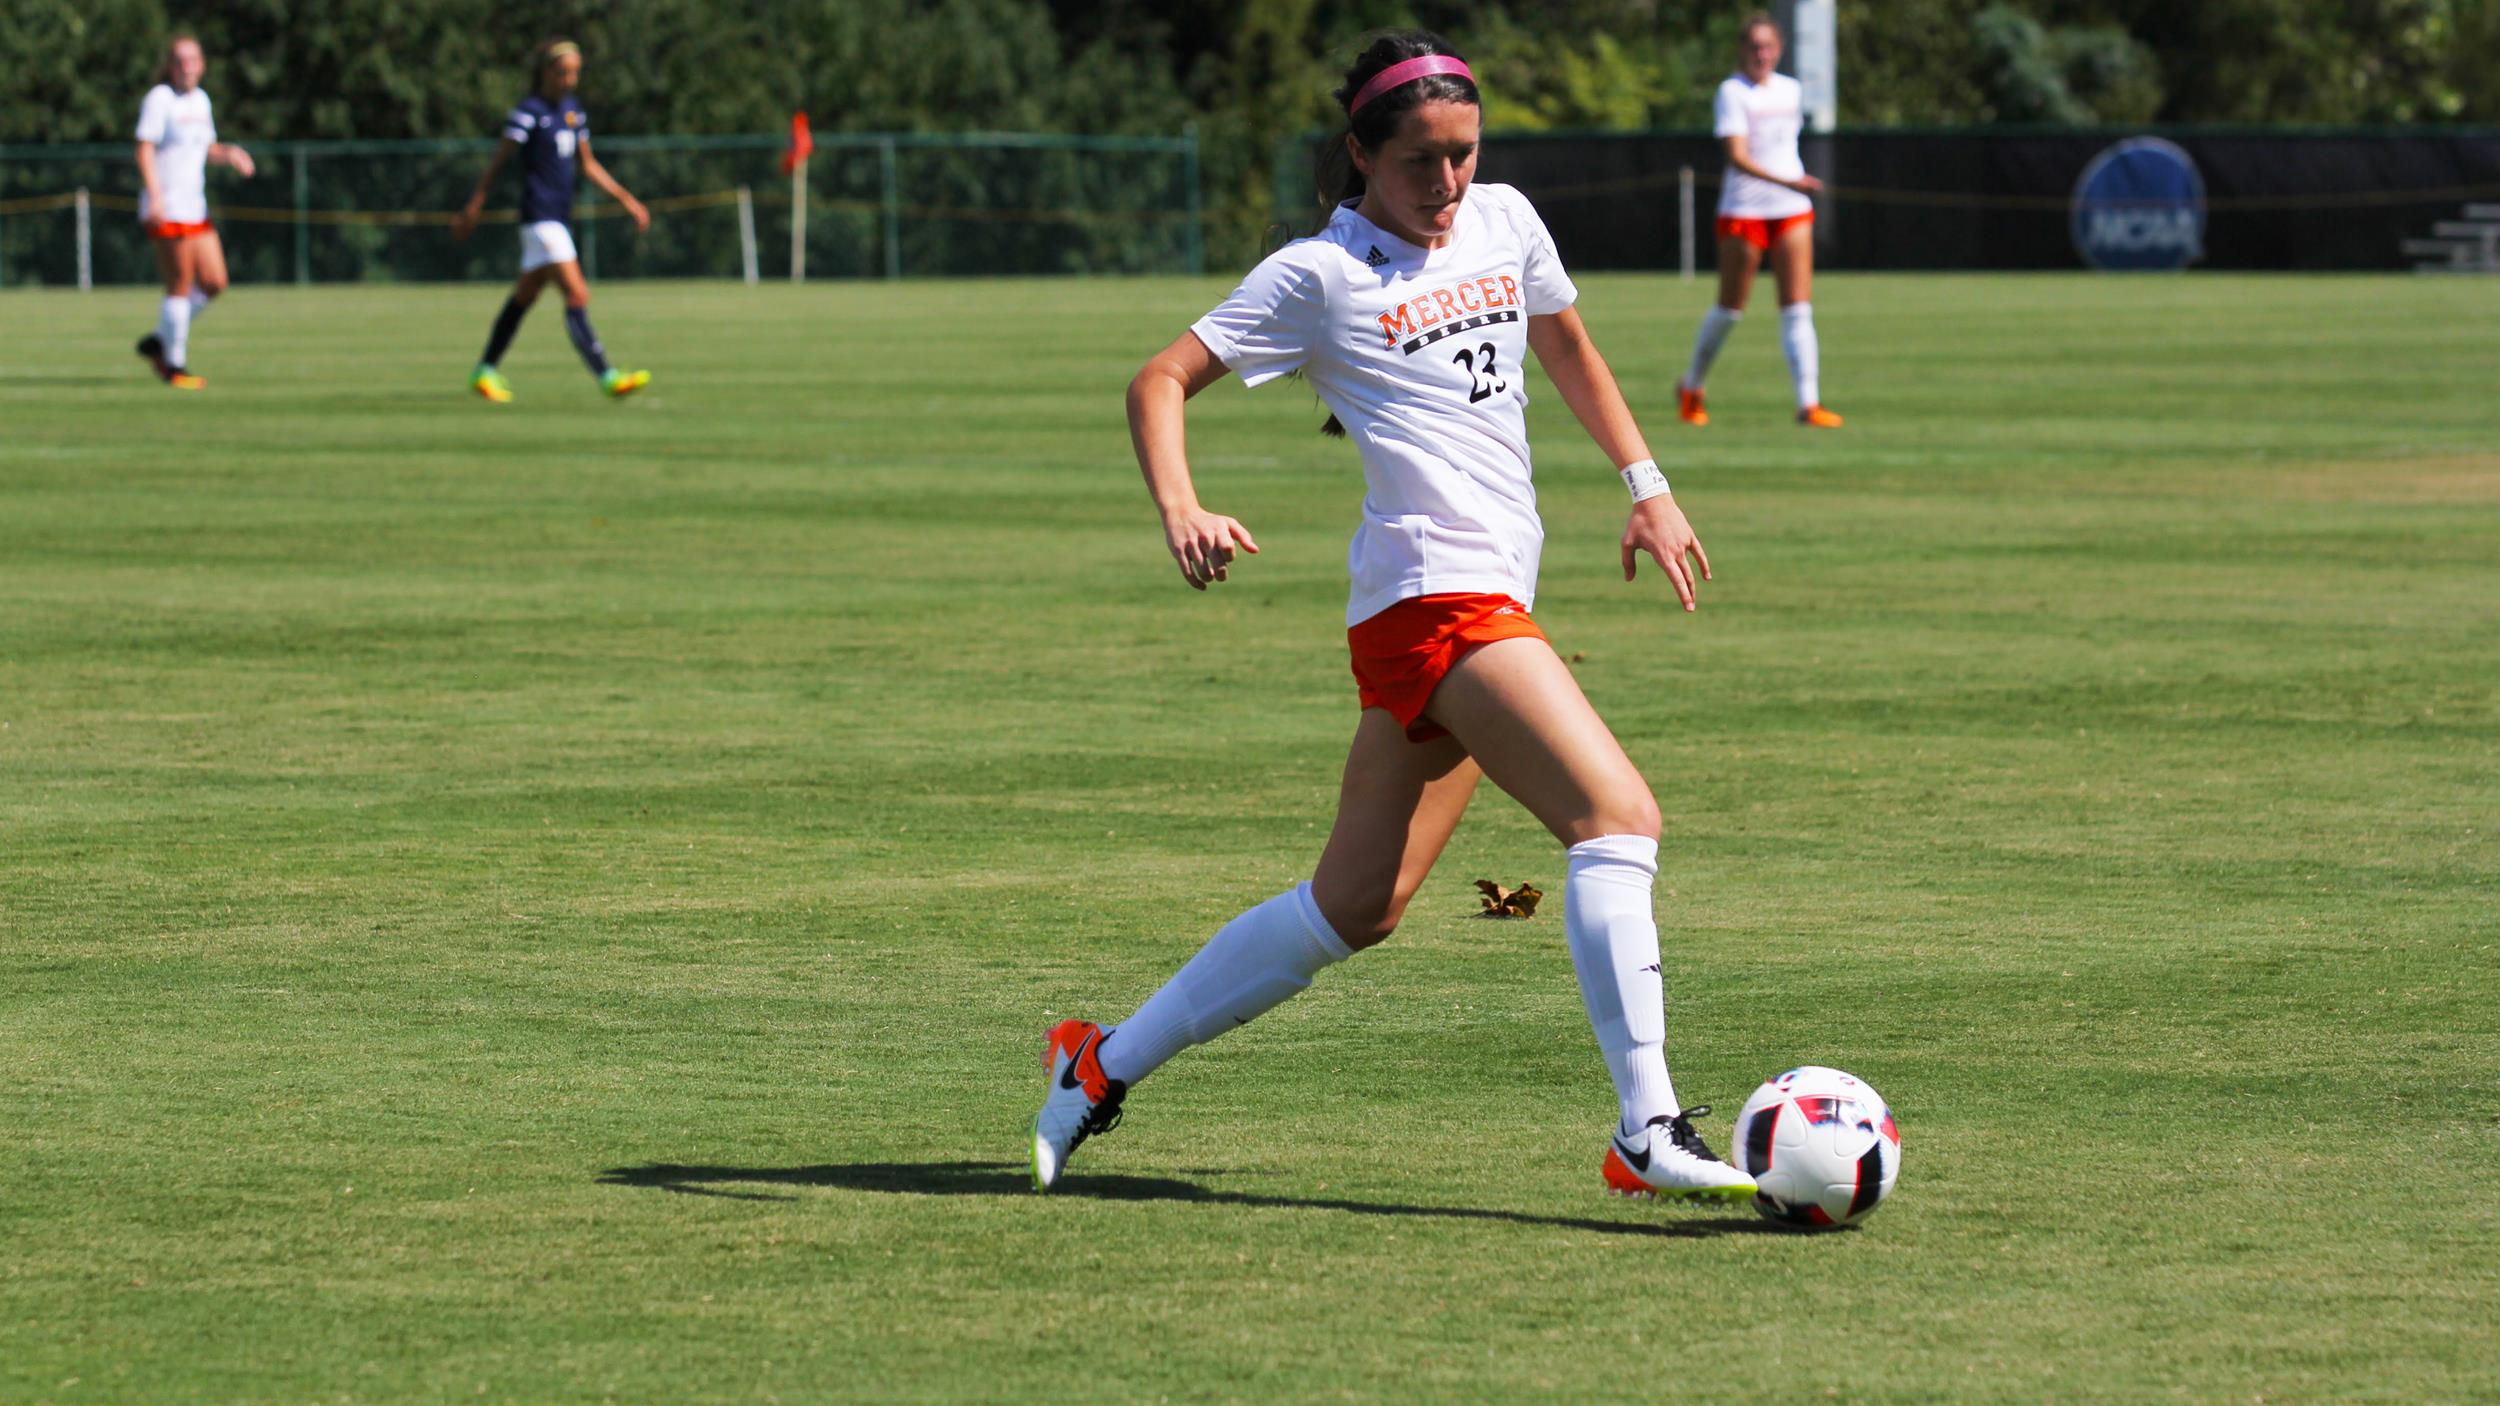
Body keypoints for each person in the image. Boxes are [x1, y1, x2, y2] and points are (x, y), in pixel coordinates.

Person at [1031, 31, 1755, 1205]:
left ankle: (1098, 1061)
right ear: (1361, 154)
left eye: (1464, 153)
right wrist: (1181, 506)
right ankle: (1647, 1126)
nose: (1447, 180)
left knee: (1354, 906)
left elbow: (1565, 344)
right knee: (1616, 816)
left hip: (1473, 598)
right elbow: (1157, 378)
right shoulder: (1318, 274)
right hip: (1434, 596)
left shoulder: (1505, 220)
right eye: (1420, 159)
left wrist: (1647, 485)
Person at [451, 38, 651, 402]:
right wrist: (475, 203)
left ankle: (484, 371)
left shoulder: (573, 112)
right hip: (539, 216)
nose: (570, 80)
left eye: (575, 73)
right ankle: (608, 377)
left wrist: (627, 199)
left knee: (525, 296)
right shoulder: (528, 112)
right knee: (576, 292)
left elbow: (588, 164)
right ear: (545, 72)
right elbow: (498, 162)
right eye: (563, 73)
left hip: (559, 215)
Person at [1675, 12, 1842, 428]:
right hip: (1744, 209)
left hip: (1790, 209)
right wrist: (1789, 181)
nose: (1761, 54)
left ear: (1779, 50)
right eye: (1754, 47)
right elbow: (1737, 157)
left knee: (1797, 308)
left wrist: (1792, 187)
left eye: (1768, 47)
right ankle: (1692, 386)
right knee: (1731, 308)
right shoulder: (1732, 92)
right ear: (1742, 50)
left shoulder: (1791, 89)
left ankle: (1808, 403)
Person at [133, 35, 254, 390]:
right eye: (180, 61)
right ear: (170, 66)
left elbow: (205, 148)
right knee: (180, 285)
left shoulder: (201, 101)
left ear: (201, 65)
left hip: (195, 206)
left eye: (193, 60)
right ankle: (174, 365)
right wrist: (155, 197)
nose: (187, 67)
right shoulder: (160, 99)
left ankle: (159, 338)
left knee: (215, 282)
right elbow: (144, 149)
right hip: (168, 207)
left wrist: (229, 153)